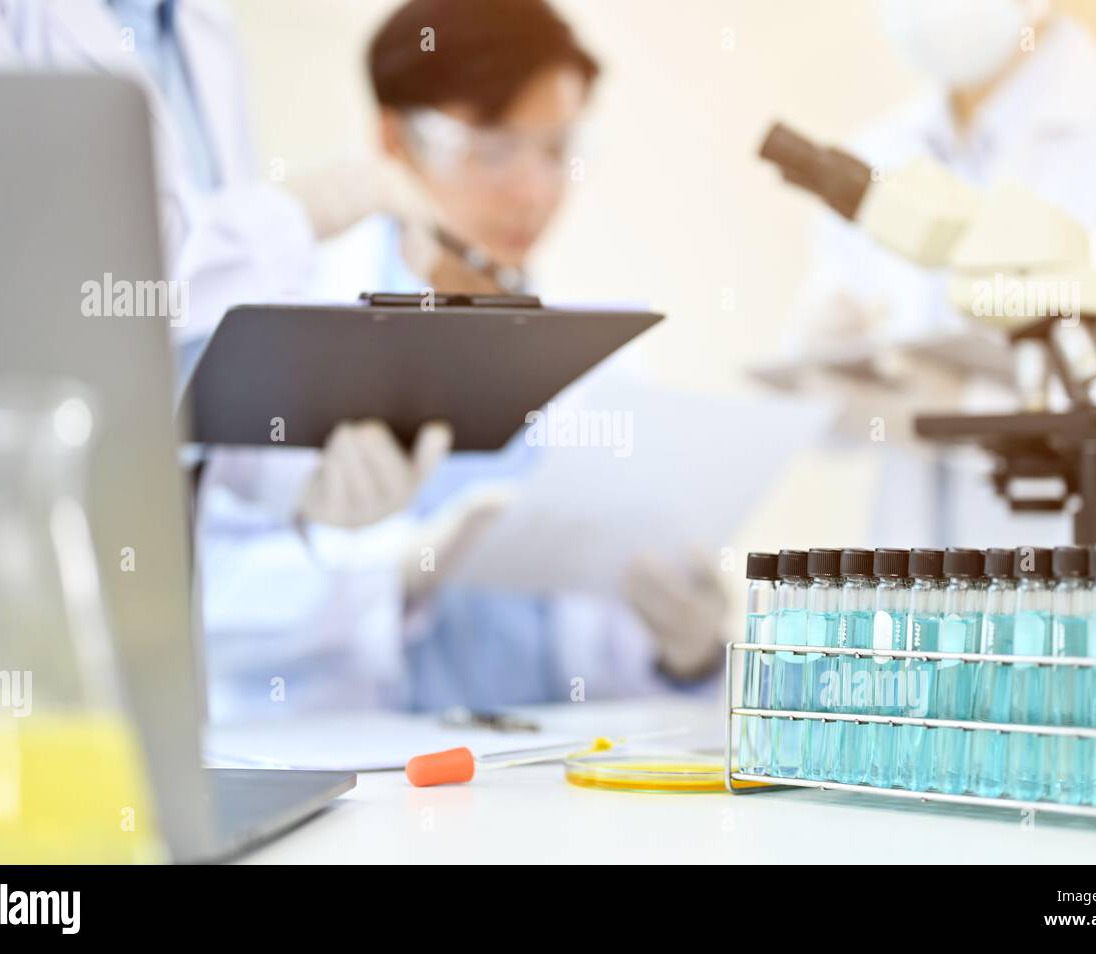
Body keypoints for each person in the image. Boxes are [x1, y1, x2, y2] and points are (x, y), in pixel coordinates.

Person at [199, 0, 729, 721]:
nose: (533, 191)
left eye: (554, 151)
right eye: (491, 147)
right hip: (340, 786)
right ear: (393, 140)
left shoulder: (602, 368)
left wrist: (688, 651)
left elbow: (602, 660)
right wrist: (404, 571)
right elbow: (200, 600)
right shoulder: (277, 329)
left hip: (541, 784)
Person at [784, 0, 1096, 548]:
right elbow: (827, 434)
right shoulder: (881, 154)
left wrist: (976, 413)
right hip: (912, 585)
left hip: (1087, 579)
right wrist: (822, 375)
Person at [0, 0, 380, 346]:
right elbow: (69, 276)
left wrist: (306, 461)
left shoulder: (202, 23)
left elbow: (222, 307)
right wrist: (304, 210)